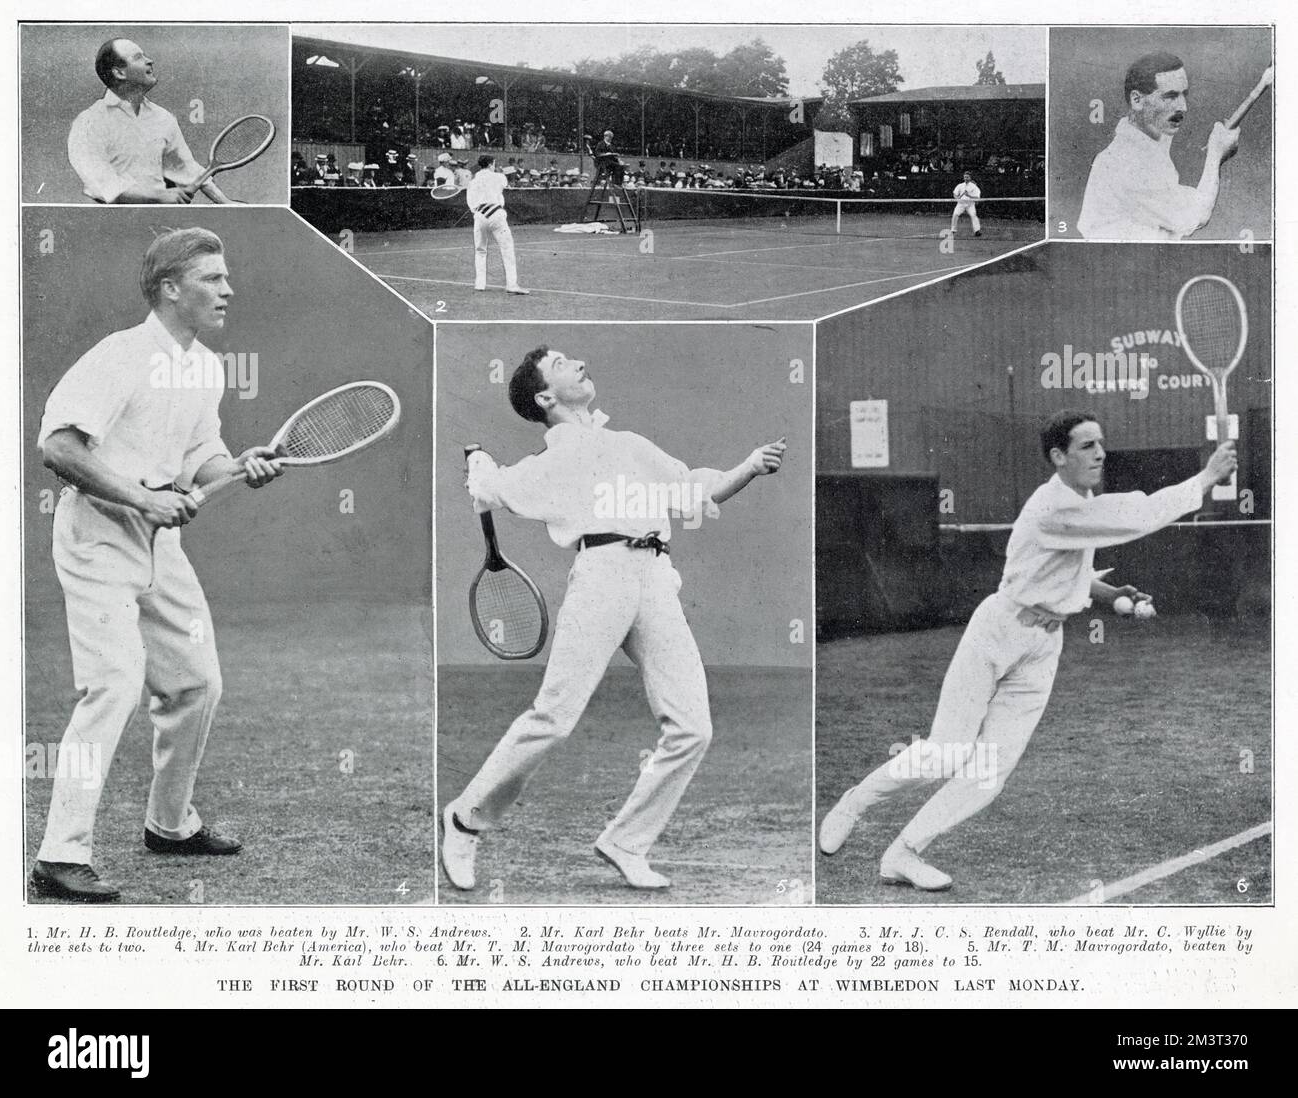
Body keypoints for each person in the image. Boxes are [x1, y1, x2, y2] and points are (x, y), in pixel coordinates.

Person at [818, 410, 1238, 891]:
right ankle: (854, 803)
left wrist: (1111, 594)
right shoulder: (1054, 507)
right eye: (1086, 446)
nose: (1100, 453)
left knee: (988, 773)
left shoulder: (1080, 501)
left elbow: (1068, 573)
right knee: (945, 754)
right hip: (998, 632)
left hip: (1044, 646)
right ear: (1058, 457)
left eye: (1101, 443)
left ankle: (903, 853)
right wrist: (1206, 477)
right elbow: (1136, 515)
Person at [440, 347, 787, 891]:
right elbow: (490, 489)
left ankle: (627, 841)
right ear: (545, 398)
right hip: (600, 576)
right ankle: (464, 820)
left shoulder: (629, 445)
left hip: (656, 579)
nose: (576, 361)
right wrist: (481, 467)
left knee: (693, 726)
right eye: (559, 363)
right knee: (554, 717)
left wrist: (749, 465)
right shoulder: (554, 460)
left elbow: (698, 490)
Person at [29, 228, 286, 902]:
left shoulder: (205, 366)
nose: (228, 290)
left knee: (198, 682)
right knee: (114, 683)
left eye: (228, 278)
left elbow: (203, 456)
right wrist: (142, 496)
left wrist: (242, 466)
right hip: (98, 537)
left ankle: (169, 825)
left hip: (157, 544)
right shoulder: (118, 356)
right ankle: (60, 855)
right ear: (172, 288)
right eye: (213, 278)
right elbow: (57, 446)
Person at [1077, 52, 1241, 240]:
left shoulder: (1142, 147)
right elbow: (1197, 214)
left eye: (1184, 95)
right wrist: (1216, 155)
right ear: (1137, 100)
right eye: (1170, 96)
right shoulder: (1128, 161)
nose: (1183, 107)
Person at [68, 38, 232, 205]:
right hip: (111, 222)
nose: (150, 61)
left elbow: (186, 168)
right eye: (138, 57)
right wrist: (157, 195)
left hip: (161, 219)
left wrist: (226, 203)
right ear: (119, 73)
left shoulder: (163, 118)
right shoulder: (89, 122)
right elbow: (101, 183)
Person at [465, 154, 528, 295]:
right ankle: (511, 284)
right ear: (490, 164)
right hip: (496, 214)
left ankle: (479, 284)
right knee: (507, 249)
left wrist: (479, 212)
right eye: (494, 163)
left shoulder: (473, 181)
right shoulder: (499, 177)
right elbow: (504, 183)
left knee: (480, 250)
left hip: (480, 215)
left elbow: (471, 203)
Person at [951, 172, 983, 237]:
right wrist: (957, 198)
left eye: (967, 177)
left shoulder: (974, 187)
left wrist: (969, 195)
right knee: (955, 214)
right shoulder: (960, 185)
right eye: (965, 177)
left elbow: (977, 197)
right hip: (961, 204)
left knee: (973, 216)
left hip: (970, 204)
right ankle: (953, 230)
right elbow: (955, 194)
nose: (966, 178)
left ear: (970, 178)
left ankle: (977, 231)